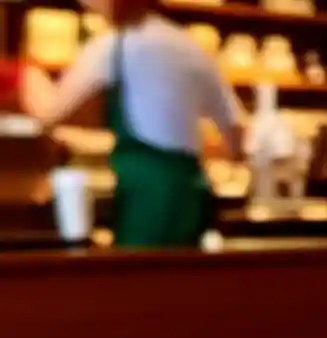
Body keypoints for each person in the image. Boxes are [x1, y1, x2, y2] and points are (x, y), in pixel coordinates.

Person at [20, 0, 243, 248]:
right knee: (183, 270)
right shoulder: (191, 46)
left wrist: (28, 71)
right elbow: (235, 127)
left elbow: (50, 111)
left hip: (147, 195)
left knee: (137, 270)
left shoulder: (114, 45)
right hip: (193, 191)